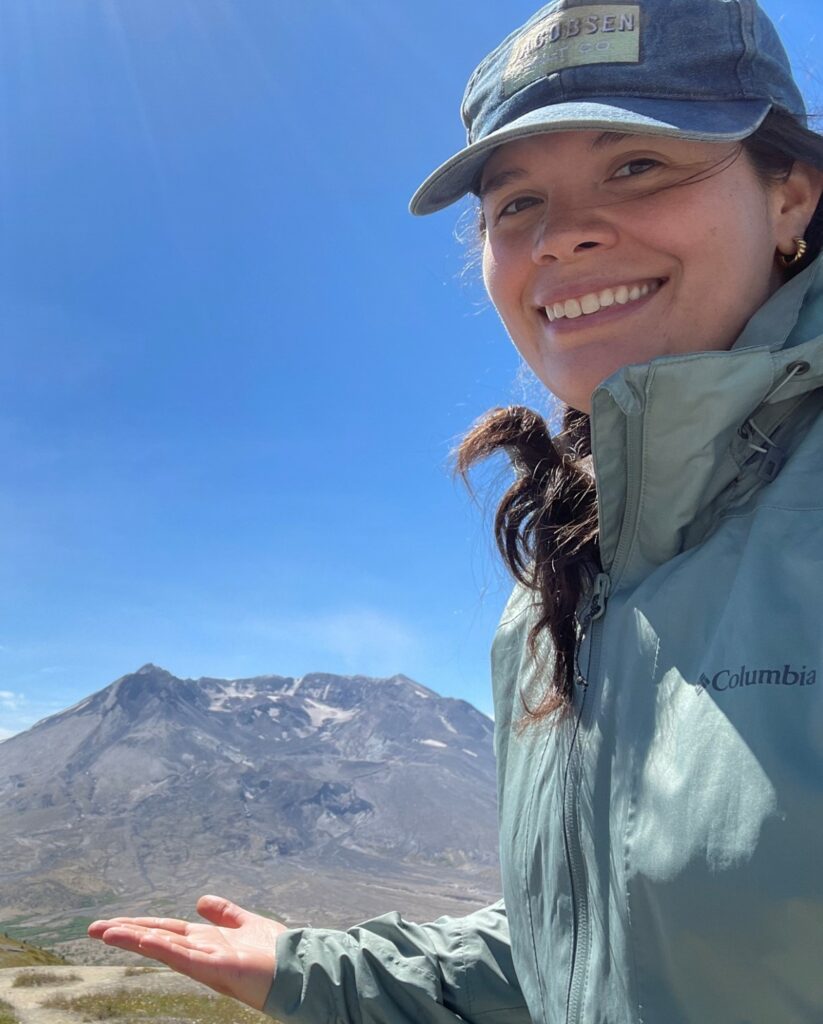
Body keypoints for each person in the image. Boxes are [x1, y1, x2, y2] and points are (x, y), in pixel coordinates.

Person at [88, 0, 823, 1020]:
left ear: (790, 194)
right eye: (516, 203)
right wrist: (313, 970)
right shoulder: (556, 590)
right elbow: (591, 943)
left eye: (638, 165)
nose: (563, 236)